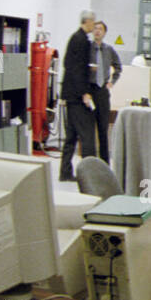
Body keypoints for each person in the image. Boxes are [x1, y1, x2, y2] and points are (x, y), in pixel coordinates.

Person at [58, 10, 97, 181]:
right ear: (87, 21)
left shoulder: (74, 38)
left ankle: (65, 172)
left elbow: (68, 64)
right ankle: (89, 175)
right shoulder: (82, 41)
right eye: (93, 23)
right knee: (87, 135)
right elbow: (78, 70)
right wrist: (85, 92)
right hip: (78, 96)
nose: (94, 26)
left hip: (70, 95)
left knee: (71, 136)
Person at [89, 20, 122, 162]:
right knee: (88, 129)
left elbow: (118, 67)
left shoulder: (109, 50)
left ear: (104, 32)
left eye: (100, 29)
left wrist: (111, 82)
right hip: (89, 90)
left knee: (103, 128)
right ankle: (89, 160)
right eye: (95, 28)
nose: (97, 31)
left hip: (102, 91)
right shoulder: (87, 48)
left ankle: (104, 162)